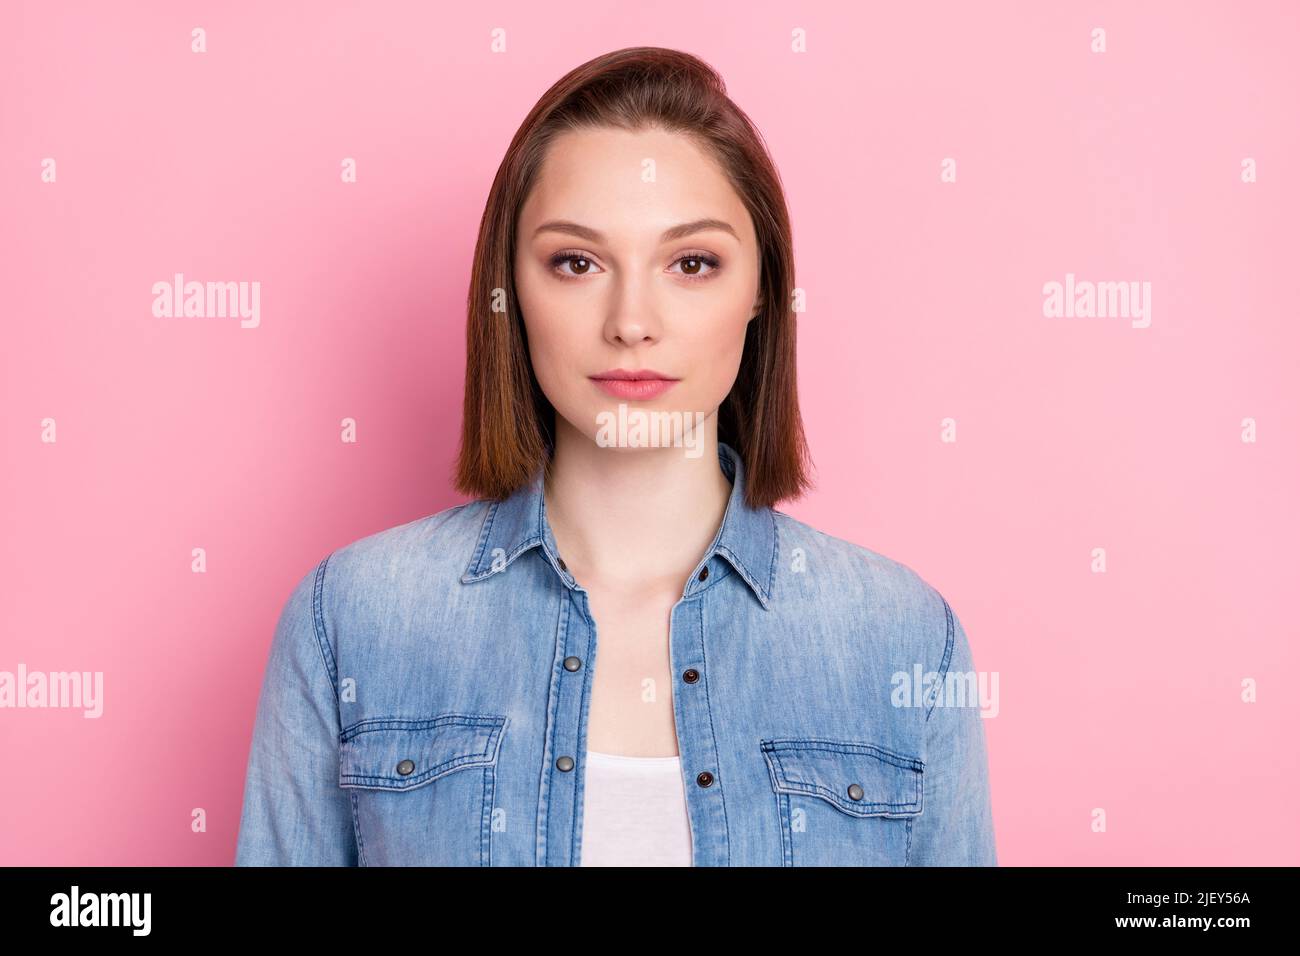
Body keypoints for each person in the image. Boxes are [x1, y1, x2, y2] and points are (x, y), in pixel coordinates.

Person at [235, 46, 996, 867]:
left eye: (692, 263)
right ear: (510, 290)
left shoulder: (903, 641)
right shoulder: (351, 617)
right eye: (577, 262)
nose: (631, 320)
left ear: (760, 293)